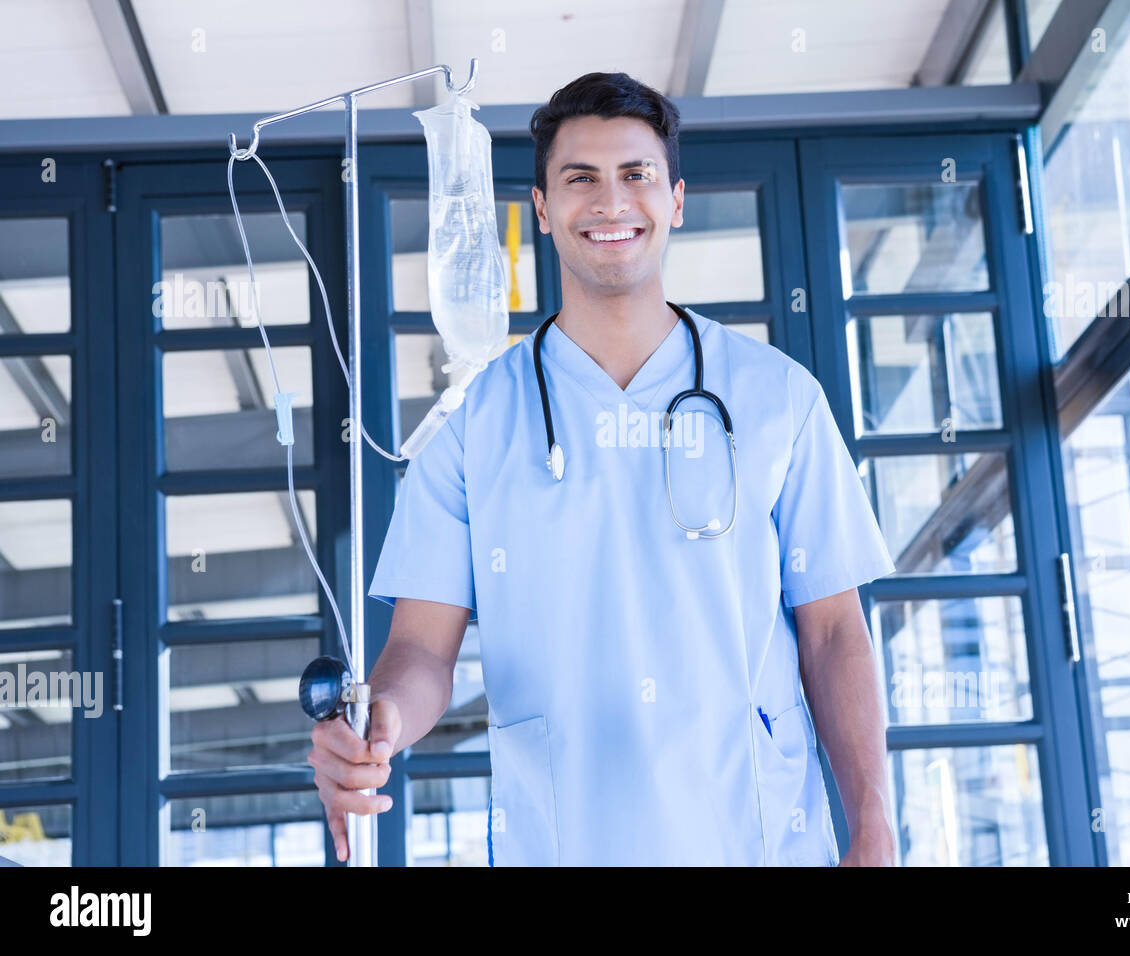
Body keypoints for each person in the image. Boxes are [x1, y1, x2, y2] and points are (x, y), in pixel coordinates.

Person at [308, 71, 897, 866]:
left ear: (676, 201)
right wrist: (379, 729)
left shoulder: (777, 398)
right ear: (543, 210)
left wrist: (874, 825)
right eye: (579, 178)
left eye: (636, 175)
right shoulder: (474, 429)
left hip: (760, 838)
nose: (611, 203)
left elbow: (833, 635)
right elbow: (420, 650)